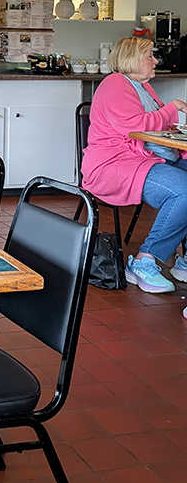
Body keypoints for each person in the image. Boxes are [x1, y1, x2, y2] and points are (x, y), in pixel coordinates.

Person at [82, 36, 187, 300]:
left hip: (144, 158)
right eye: (149, 56)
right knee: (184, 191)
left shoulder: (144, 86)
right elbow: (137, 126)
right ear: (131, 59)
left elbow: (157, 127)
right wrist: (172, 108)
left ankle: (184, 260)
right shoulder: (115, 83)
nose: (155, 61)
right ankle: (144, 260)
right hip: (114, 165)